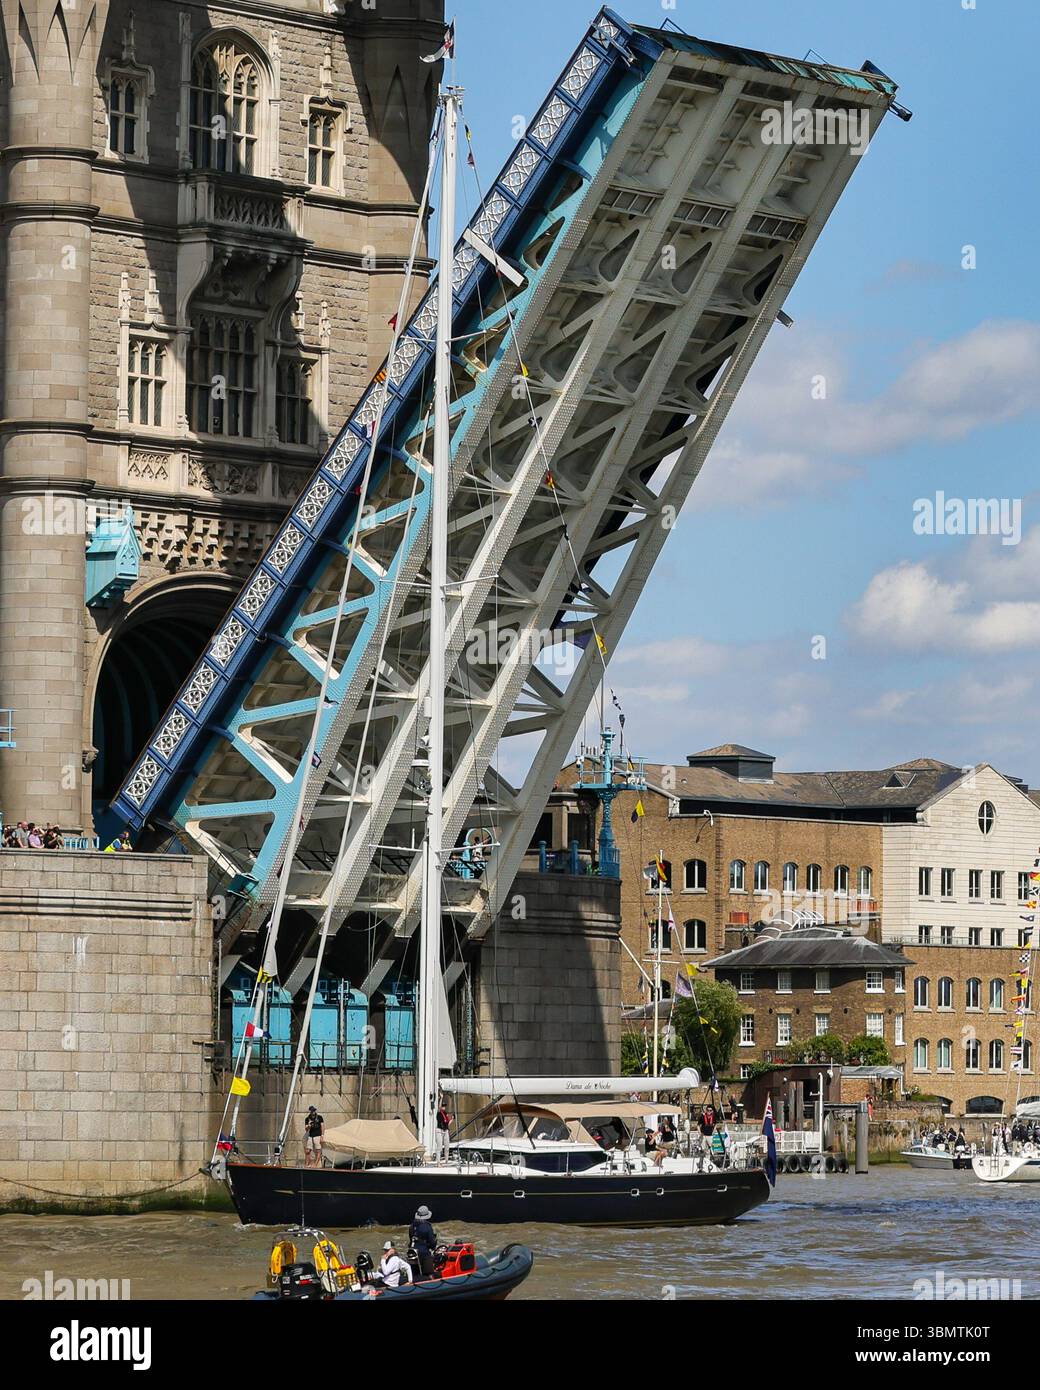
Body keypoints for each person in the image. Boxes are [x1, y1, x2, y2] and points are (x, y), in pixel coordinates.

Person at [408, 1205, 438, 1279]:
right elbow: (432, 1242)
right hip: (423, 1252)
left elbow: (411, 1238)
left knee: (414, 1273)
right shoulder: (427, 1226)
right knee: (429, 1273)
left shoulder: (412, 1226)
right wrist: (433, 1245)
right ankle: (431, 1283)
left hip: (412, 1251)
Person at [435, 1096, 453, 1162]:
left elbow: (447, 1123)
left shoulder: (445, 1114)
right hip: (439, 1130)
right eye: (443, 1106)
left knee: (447, 1146)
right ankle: (438, 1162)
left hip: (445, 1130)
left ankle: (446, 1160)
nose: (444, 1107)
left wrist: (452, 1119)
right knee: (439, 1146)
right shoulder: (439, 1113)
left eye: (444, 1106)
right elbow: (439, 1107)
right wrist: (441, 1098)